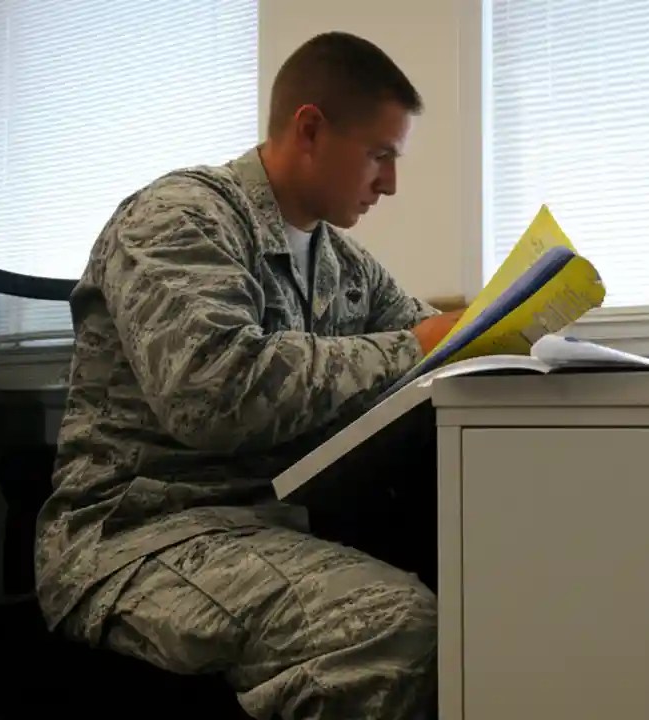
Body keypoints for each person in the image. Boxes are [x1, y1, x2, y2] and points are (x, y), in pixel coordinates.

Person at [34, 31, 461, 720]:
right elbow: (213, 393)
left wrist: (495, 340)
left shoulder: (341, 262)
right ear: (311, 129)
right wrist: (413, 348)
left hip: (270, 524)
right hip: (140, 538)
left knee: (482, 578)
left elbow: (427, 340)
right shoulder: (179, 218)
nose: (390, 183)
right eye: (380, 155)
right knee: (394, 630)